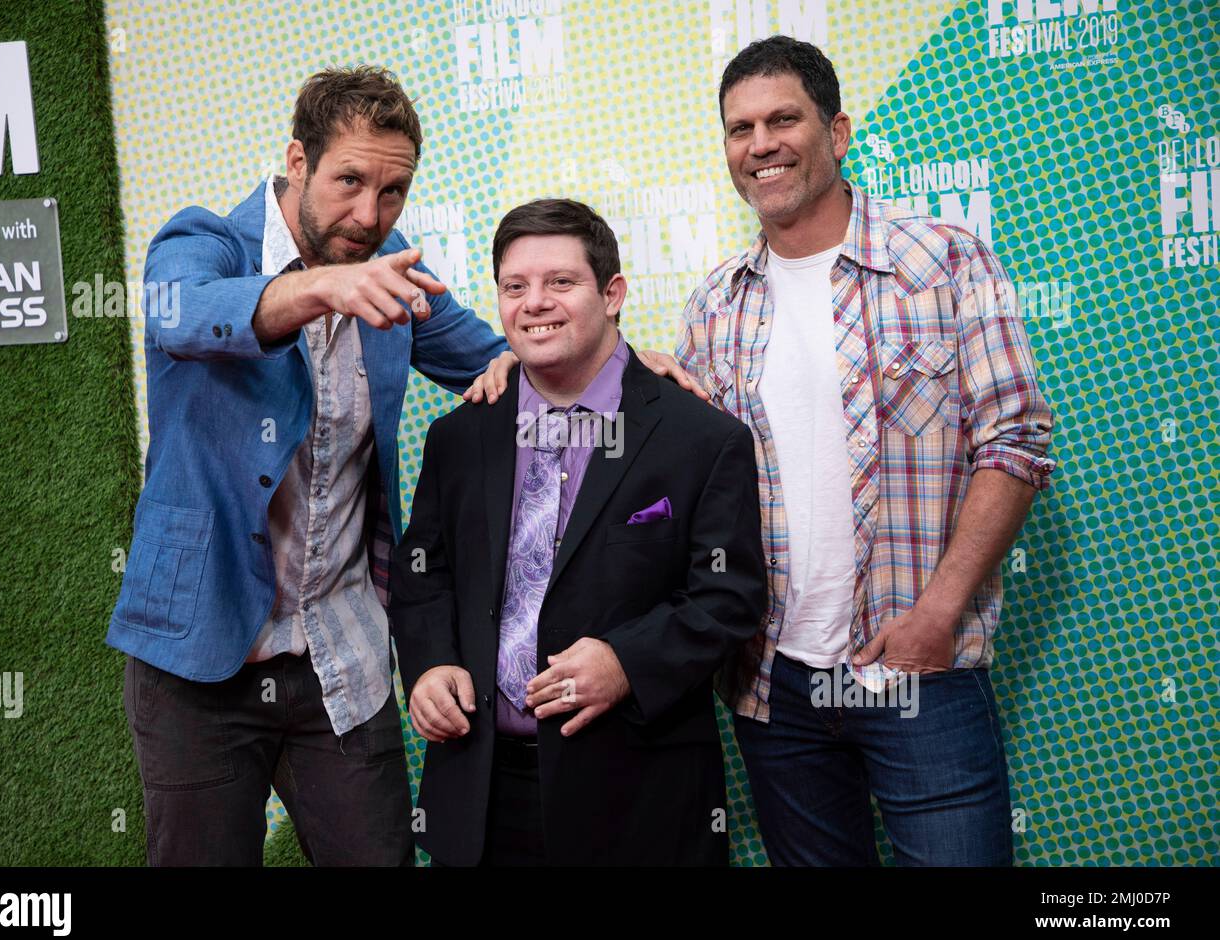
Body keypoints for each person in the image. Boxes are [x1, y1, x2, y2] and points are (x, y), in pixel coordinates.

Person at [108, 65, 518, 866]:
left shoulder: (388, 265)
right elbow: (181, 315)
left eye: (393, 191)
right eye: (350, 181)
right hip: (200, 657)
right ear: (296, 162)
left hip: (344, 657)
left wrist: (626, 373)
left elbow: (496, 357)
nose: (369, 215)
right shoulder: (202, 243)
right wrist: (326, 287)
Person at [678, 36, 1056, 865]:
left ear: (838, 131)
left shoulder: (944, 261)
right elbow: (695, 480)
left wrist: (936, 614)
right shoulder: (716, 305)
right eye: (740, 128)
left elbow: (1016, 439)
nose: (761, 144)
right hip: (775, 688)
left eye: (784, 119)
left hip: (918, 668)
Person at [390, 198, 767, 865]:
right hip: (481, 793)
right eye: (515, 286)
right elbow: (426, 574)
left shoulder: (700, 437)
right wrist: (430, 665)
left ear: (613, 293)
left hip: (638, 799)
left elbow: (729, 597)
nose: (535, 303)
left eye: (561, 282)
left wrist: (628, 662)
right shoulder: (460, 436)